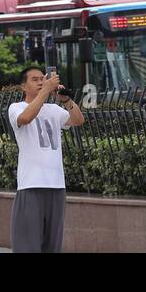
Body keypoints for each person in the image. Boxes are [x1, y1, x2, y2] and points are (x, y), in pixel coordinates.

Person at [8, 64, 85, 253]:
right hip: (31, 185)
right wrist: (47, 91)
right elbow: (25, 118)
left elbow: (78, 120)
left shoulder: (53, 109)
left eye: (43, 78)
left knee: (52, 244)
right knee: (28, 244)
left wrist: (66, 100)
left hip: (56, 185)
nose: (41, 82)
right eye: (35, 80)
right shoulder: (16, 107)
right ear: (23, 86)